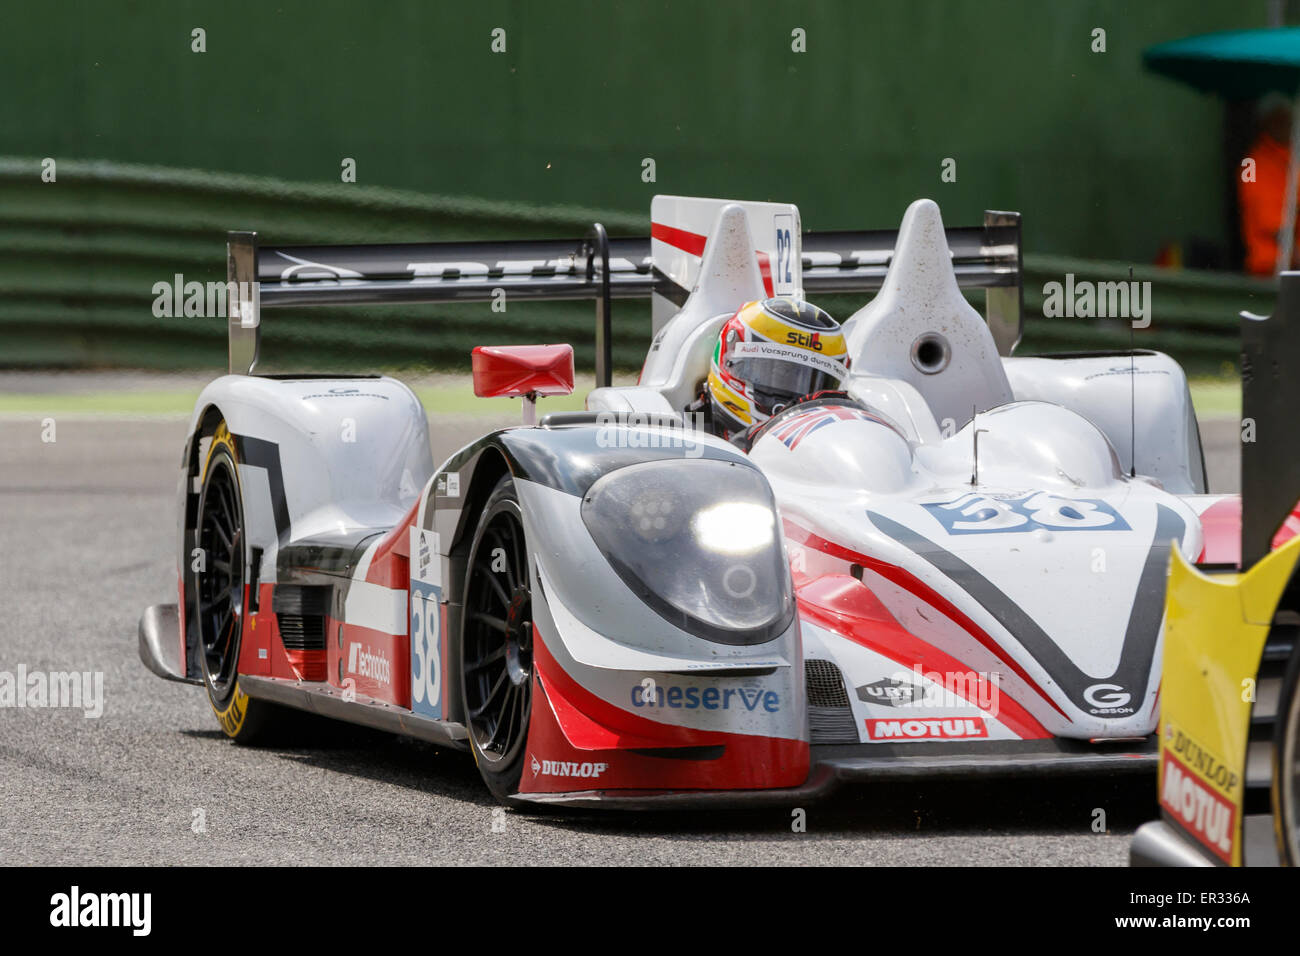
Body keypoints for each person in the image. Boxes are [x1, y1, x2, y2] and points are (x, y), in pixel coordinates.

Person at [694, 297, 850, 444]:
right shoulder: (682, 432)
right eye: (778, 373)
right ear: (729, 361)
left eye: (808, 382)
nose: (789, 404)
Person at [1239, 92, 1298, 276]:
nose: (1287, 125)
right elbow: (1268, 220)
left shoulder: (1292, 157)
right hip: (1268, 266)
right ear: (1268, 122)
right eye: (1280, 119)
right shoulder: (1252, 163)